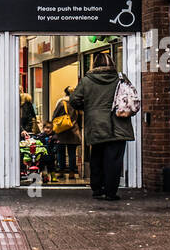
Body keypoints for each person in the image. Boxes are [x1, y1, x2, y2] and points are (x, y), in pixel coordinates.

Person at [69, 43, 134, 201]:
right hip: (118, 125)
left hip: (96, 125)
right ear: (111, 63)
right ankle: (111, 192)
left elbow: (74, 100)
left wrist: (88, 108)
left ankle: (97, 189)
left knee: (97, 158)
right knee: (114, 161)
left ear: (94, 64)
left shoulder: (87, 81)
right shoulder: (120, 77)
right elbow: (130, 96)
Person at [50, 87, 81, 178]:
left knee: (61, 152)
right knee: (72, 153)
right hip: (73, 130)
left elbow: (54, 116)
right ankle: (72, 172)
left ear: (65, 93)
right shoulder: (76, 103)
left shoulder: (62, 103)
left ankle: (61, 171)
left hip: (61, 131)